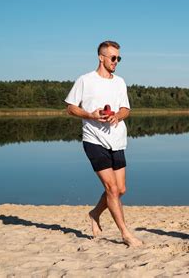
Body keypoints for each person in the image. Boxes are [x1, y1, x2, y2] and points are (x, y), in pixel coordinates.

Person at [65, 40, 143, 247]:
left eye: (119, 58)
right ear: (101, 57)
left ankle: (94, 214)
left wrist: (117, 116)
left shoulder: (120, 82)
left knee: (121, 189)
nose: (116, 61)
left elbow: (126, 109)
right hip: (94, 140)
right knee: (111, 188)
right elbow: (70, 108)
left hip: (117, 140)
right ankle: (126, 234)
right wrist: (90, 114)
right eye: (113, 58)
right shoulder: (85, 80)